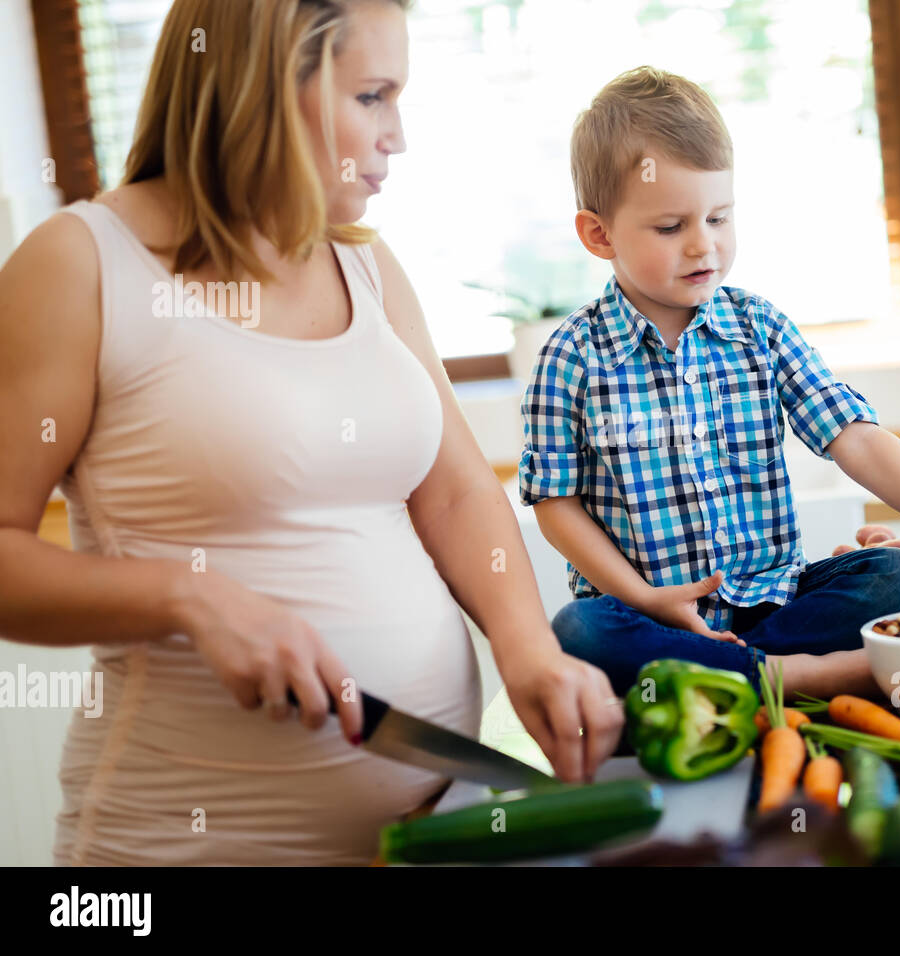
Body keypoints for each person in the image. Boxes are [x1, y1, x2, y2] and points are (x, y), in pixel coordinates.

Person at [0, 0, 621, 866]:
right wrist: (190, 596)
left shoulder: (362, 260)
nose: (397, 135)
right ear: (260, 82)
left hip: (425, 827)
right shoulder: (78, 264)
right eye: (372, 96)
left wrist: (525, 648)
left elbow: (454, 490)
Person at [519, 66, 900, 699]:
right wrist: (643, 596)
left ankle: (737, 673)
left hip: (776, 603)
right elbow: (556, 506)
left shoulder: (760, 327)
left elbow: (853, 435)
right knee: (579, 630)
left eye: (718, 218)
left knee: (895, 577)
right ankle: (796, 674)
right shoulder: (571, 357)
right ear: (599, 234)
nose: (703, 246)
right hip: (650, 613)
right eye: (671, 227)